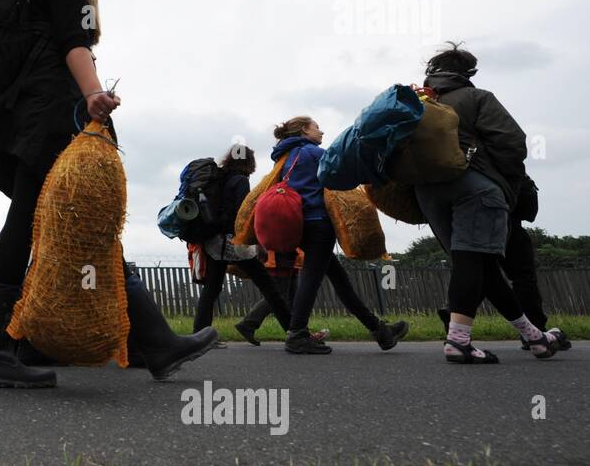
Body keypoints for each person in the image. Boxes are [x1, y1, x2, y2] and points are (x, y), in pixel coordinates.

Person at [0, 0, 217, 388]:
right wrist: (95, 95)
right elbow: (73, 45)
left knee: (83, 228)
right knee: (28, 223)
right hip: (51, 117)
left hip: (40, 115)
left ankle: (147, 342)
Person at [413, 44, 568, 363]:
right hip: (475, 188)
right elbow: (512, 142)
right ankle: (457, 341)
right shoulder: (476, 97)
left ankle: (535, 337)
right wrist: (504, 185)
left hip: (427, 192)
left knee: (482, 265)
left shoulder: (419, 103)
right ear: (467, 72)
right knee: (474, 262)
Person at [269, 116, 409, 354]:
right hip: (319, 224)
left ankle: (380, 331)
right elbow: (343, 171)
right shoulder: (313, 153)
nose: (321, 131)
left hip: (302, 225)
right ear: (304, 130)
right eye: (316, 127)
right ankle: (297, 334)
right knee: (311, 280)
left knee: (341, 282)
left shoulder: (285, 158)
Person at [190, 144, 293, 345]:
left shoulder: (220, 178)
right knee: (269, 287)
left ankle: (200, 337)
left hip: (214, 241)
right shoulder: (240, 181)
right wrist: (258, 243)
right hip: (233, 242)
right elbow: (243, 215)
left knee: (211, 290)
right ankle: (294, 330)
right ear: (249, 162)